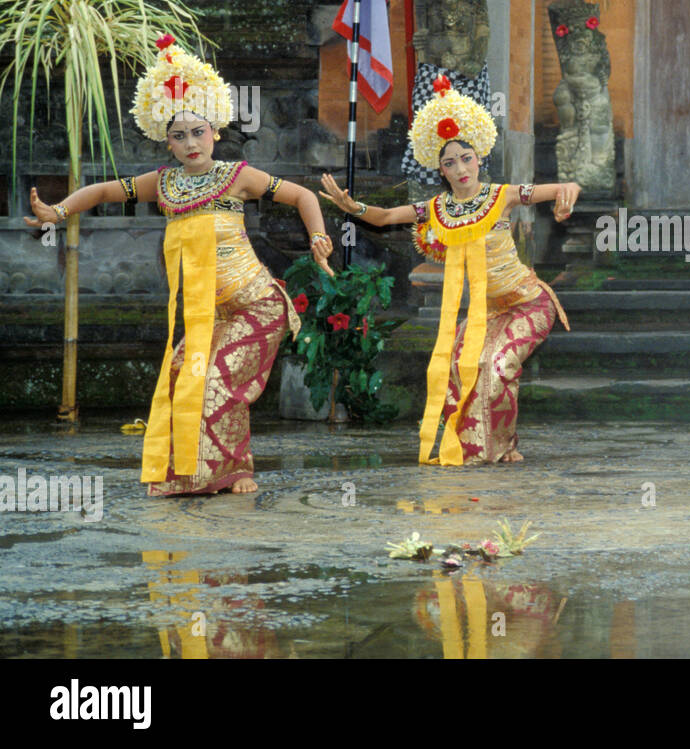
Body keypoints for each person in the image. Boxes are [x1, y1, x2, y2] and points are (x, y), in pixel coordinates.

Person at [25, 34, 334, 495]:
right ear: (166, 143)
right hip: (209, 316)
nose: (191, 142)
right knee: (178, 377)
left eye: (198, 132)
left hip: (258, 308)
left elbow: (303, 195)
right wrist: (59, 211)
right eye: (179, 135)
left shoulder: (239, 177)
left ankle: (235, 472)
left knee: (216, 380)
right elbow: (107, 191)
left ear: (215, 132)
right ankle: (183, 474)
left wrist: (319, 238)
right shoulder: (163, 184)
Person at [319, 74, 577, 465]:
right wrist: (352, 207)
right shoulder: (438, 209)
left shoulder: (501, 196)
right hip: (483, 314)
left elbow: (561, 187)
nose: (461, 169)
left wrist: (567, 196)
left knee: (494, 364)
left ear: (479, 158)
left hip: (527, 302)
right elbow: (387, 215)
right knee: (456, 368)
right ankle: (475, 446)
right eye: (450, 163)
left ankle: (504, 444)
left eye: (466, 159)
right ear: (440, 170)